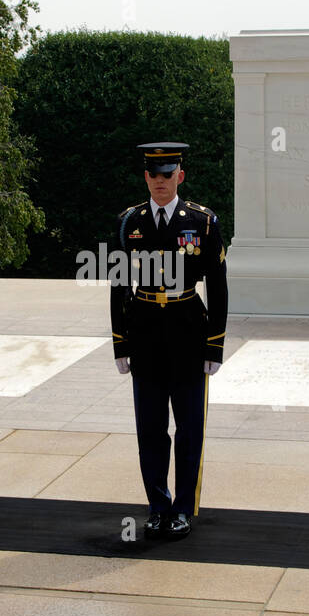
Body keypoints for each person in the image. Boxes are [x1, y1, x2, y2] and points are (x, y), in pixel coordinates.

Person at [110, 142, 228, 539]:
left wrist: (215, 344)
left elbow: (219, 286)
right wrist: (120, 342)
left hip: (188, 331)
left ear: (181, 175)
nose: (160, 181)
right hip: (144, 331)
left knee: (190, 428)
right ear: (145, 176)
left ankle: (183, 508)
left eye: (168, 173)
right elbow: (119, 285)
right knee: (151, 429)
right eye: (153, 174)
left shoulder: (203, 221)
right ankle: (158, 506)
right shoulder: (130, 222)